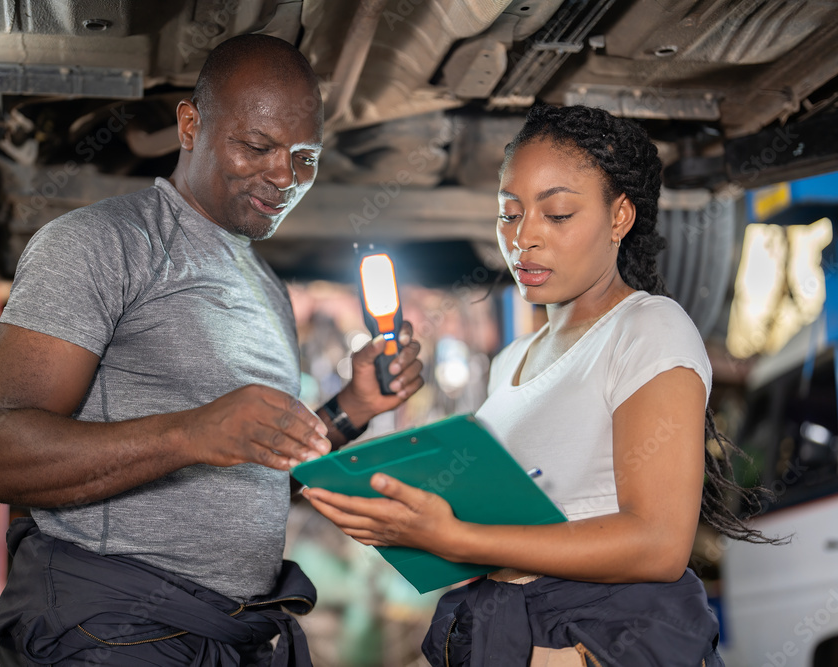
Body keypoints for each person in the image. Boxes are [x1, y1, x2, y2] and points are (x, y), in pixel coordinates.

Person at [0, 34, 423, 666]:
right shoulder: (101, 245)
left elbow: (248, 479)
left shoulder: (269, 292)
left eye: (305, 158)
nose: (284, 176)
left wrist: (353, 408)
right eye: (257, 146)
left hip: (235, 634)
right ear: (190, 125)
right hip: (115, 633)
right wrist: (188, 434)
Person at [303, 104, 777, 666]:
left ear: (620, 216)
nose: (524, 237)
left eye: (556, 214)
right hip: (507, 628)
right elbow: (508, 522)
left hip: (599, 638)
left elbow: (658, 545)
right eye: (509, 214)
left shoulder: (648, 327)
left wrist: (459, 539)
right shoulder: (511, 361)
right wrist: (406, 522)